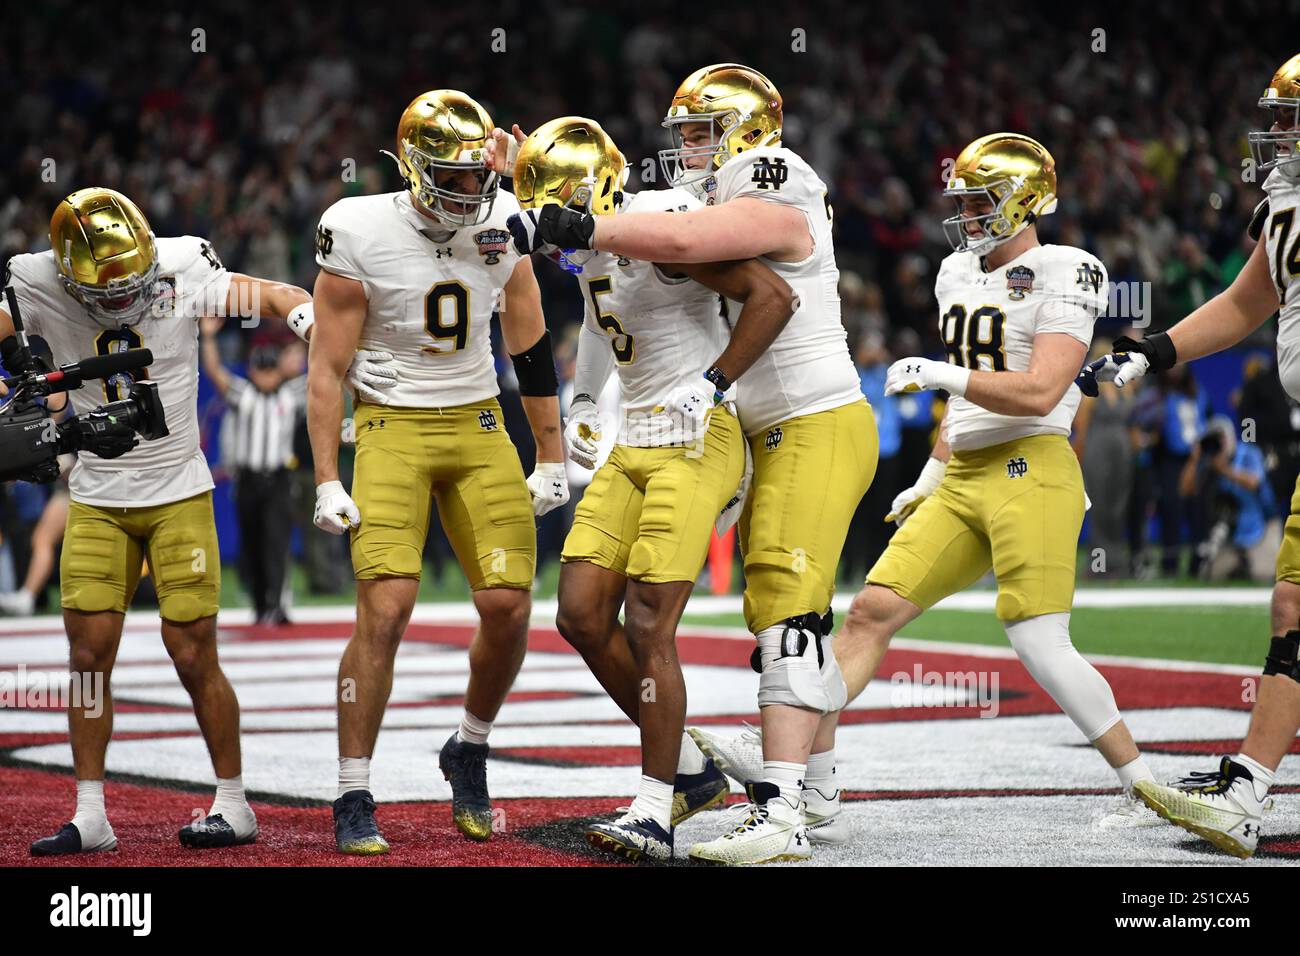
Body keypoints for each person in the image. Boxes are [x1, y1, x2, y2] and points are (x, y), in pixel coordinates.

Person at [505, 64, 877, 864]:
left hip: (792, 415)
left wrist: (710, 382)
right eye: (684, 135)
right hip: (735, 423)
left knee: (779, 617)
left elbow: (688, 247)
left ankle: (769, 804)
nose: (688, 149)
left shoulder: (753, 182)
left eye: (704, 131)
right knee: (603, 610)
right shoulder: (681, 204)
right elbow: (607, 313)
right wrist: (528, 183)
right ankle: (791, 782)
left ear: (746, 130)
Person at [803, 134, 1160, 862]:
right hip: (963, 470)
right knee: (870, 610)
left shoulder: (1067, 269)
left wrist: (942, 375)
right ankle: (813, 791)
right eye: (960, 201)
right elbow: (965, 408)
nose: (965, 214)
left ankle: (1142, 786)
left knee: (1036, 638)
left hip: (1033, 464)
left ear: (1024, 200)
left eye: (979, 200)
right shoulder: (954, 271)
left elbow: (1041, 390)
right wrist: (930, 474)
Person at [4, 186, 312, 854]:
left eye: (129, 283)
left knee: (193, 649)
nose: (120, 297)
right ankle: (91, 814)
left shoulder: (182, 266)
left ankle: (233, 803)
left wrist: (309, 320)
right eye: (102, 289)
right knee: (87, 657)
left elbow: (274, 296)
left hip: (177, 490)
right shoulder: (32, 281)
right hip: (95, 494)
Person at [306, 90, 566, 855]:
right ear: (414, 168)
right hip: (390, 423)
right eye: (450, 177)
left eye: (473, 175)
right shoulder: (357, 227)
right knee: (385, 609)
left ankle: (470, 746)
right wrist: (327, 474)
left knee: (510, 606)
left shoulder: (500, 217)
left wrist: (550, 451)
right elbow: (326, 368)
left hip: (481, 419)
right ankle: (354, 789)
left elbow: (529, 339)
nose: (468, 190)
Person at [1086, 54, 1300, 857]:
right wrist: (1156, 349)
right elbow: (1250, 299)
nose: (1277, 134)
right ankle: (1247, 790)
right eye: (1277, 117)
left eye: (1291, 117)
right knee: (1292, 610)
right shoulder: (1285, 201)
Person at [200, 326, 302, 625]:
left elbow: (323, 375)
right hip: (248, 480)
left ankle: (279, 605)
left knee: (277, 543)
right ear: (252, 370)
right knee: (253, 544)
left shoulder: (291, 393)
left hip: (279, 479)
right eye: (262, 369)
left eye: (272, 369)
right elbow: (214, 370)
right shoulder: (242, 393)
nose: (267, 375)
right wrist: (207, 337)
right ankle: (260, 605)